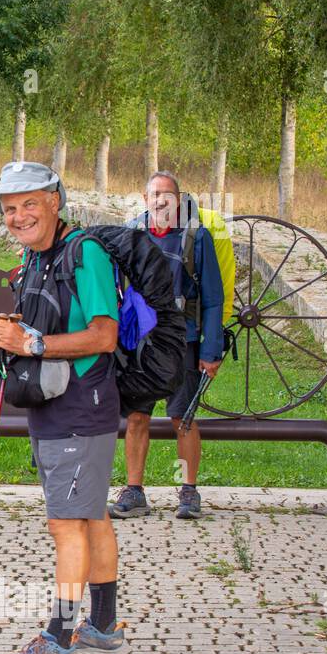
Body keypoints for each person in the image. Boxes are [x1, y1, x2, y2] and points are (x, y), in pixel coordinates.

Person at [0, 162, 129, 654]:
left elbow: (104, 335)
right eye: (9, 209)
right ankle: (103, 629)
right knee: (91, 516)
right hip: (57, 406)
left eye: (29, 203)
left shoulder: (84, 254)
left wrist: (33, 344)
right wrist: (15, 334)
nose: (19, 216)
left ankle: (60, 640)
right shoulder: (36, 257)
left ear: (55, 201)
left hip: (81, 407)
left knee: (65, 524)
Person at [109, 171, 225, 520]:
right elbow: (113, 287)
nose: (161, 200)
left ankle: (188, 490)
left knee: (182, 417)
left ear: (178, 200)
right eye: (155, 194)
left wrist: (210, 350)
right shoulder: (130, 234)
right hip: (139, 343)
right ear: (145, 199)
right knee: (136, 417)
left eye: (168, 194)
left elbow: (213, 299)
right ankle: (134, 490)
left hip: (180, 342)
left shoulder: (196, 237)